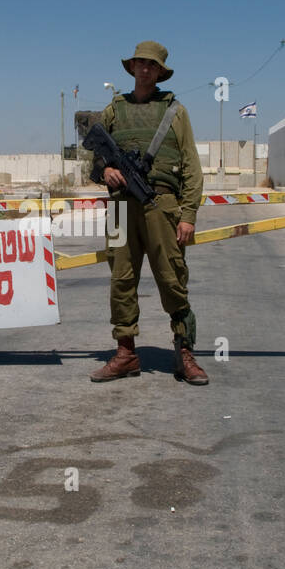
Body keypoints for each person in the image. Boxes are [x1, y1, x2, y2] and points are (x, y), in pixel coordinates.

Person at [89, 41, 208, 385]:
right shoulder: (114, 110)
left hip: (162, 204)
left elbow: (191, 168)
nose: (145, 69)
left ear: (159, 72)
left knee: (172, 277)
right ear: (132, 68)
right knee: (121, 279)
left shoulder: (175, 111)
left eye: (151, 65)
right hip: (121, 207)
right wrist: (105, 171)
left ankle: (185, 354)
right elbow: (95, 159)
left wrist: (188, 215)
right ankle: (126, 353)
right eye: (140, 63)